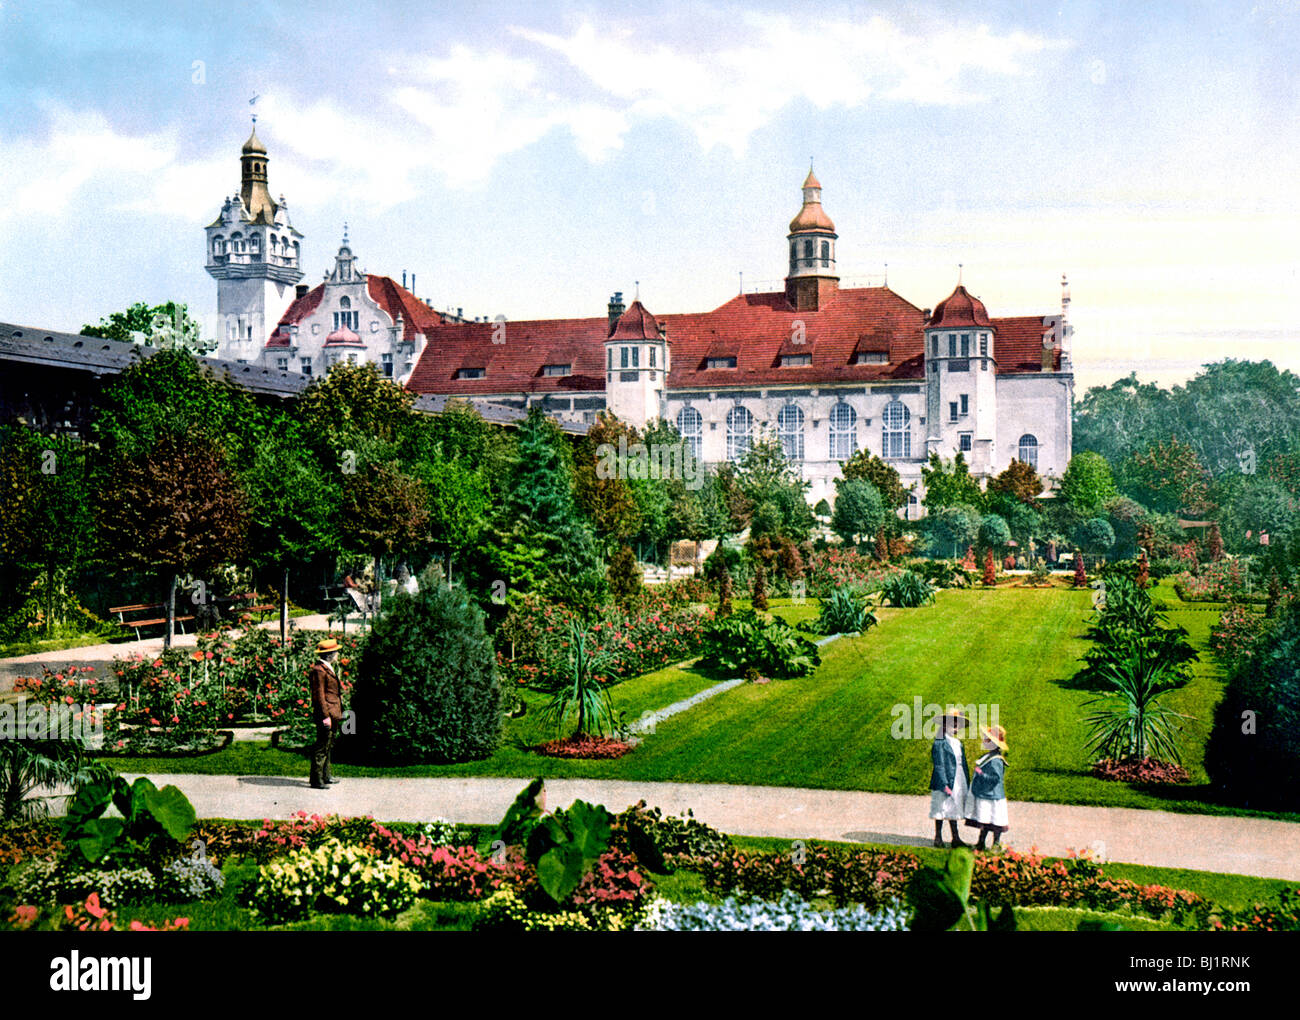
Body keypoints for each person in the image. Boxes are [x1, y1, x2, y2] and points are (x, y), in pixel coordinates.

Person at [929, 707, 970, 848]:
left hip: (957, 777)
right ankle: (938, 836)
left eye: (957, 724)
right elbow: (939, 765)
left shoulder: (957, 743)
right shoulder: (940, 743)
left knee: (953, 807)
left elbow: (962, 763)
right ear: (944, 724)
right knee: (941, 806)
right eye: (953, 724)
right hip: (945, 778)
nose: (955, 727)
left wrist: (966, 780)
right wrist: (944, 783)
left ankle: (955, 837)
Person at [965, 725, 1010, 850]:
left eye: (986, 739)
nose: (984, 741)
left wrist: (981, 774)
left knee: (995, 821)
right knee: (985, 819)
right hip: (987, 794)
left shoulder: (996, 761)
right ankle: (981, 842)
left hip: (992, 796)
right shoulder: (989, 757)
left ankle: (995, 843)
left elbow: (995, 779)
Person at [308, 638, 343, 789]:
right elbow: (319, 696)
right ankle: (316, 780)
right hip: (327, 713)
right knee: (322, 746)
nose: (337, 654)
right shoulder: (319, 670)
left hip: (333, 712)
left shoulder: (327, 668)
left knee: (328, 745)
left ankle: (326, 775)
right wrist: (325, 716)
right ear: (329, 654)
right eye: (335, 652)